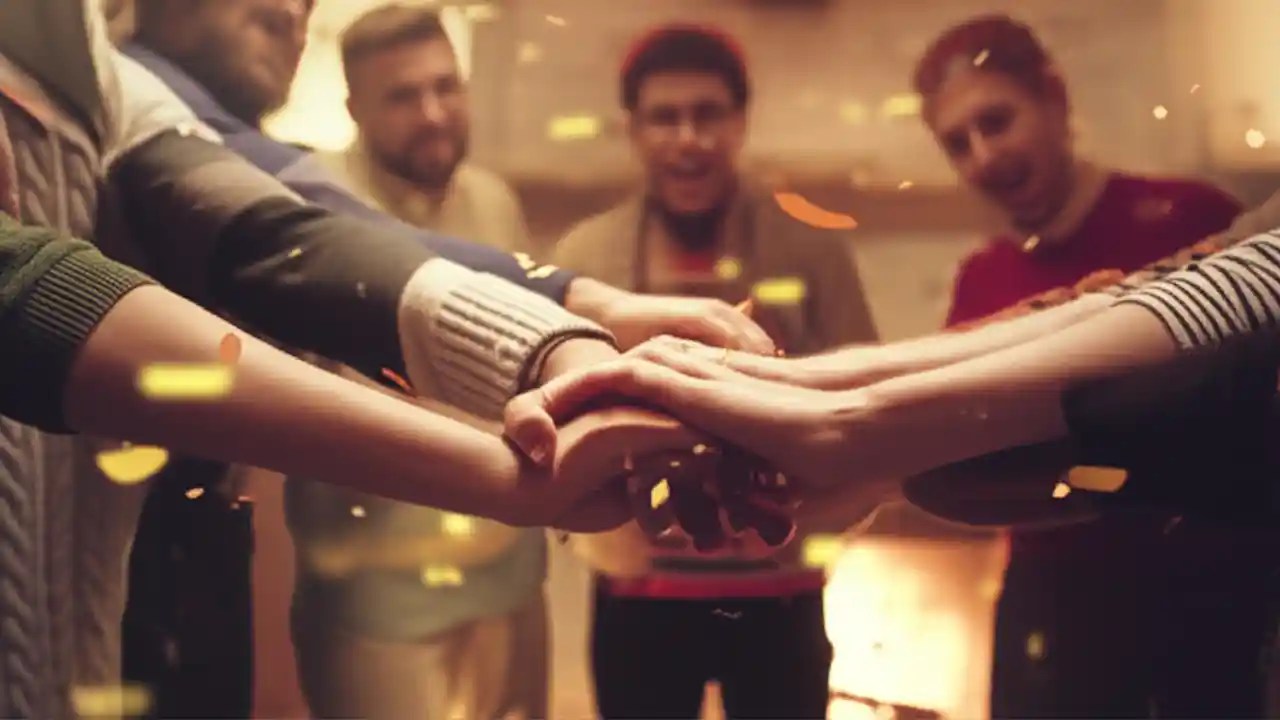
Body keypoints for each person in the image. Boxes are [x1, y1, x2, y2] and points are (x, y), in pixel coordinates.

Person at [0, 1, 771, 715]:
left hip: (98, 629)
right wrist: (522, 456)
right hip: (356, 605)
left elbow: (283, 231)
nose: (288, 13)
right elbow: (41, 299)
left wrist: (567, 340)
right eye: (405, 95)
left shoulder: (100, 74)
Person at [551, 24, 877, 720]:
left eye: (707, 115)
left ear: (740, 122)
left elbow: (864, 401)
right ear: (634, 130)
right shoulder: (586, 253)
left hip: (780, 593)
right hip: (638, 593)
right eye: (665, 118)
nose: (688, 138)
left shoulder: (810, 250)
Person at [288, 6, 553, 719]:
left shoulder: (493, 201)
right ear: (353, 109)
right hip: (377, 603)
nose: (434, 113)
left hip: (511, 581)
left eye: (446, 87)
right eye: (403, 96)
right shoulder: (312, 206)